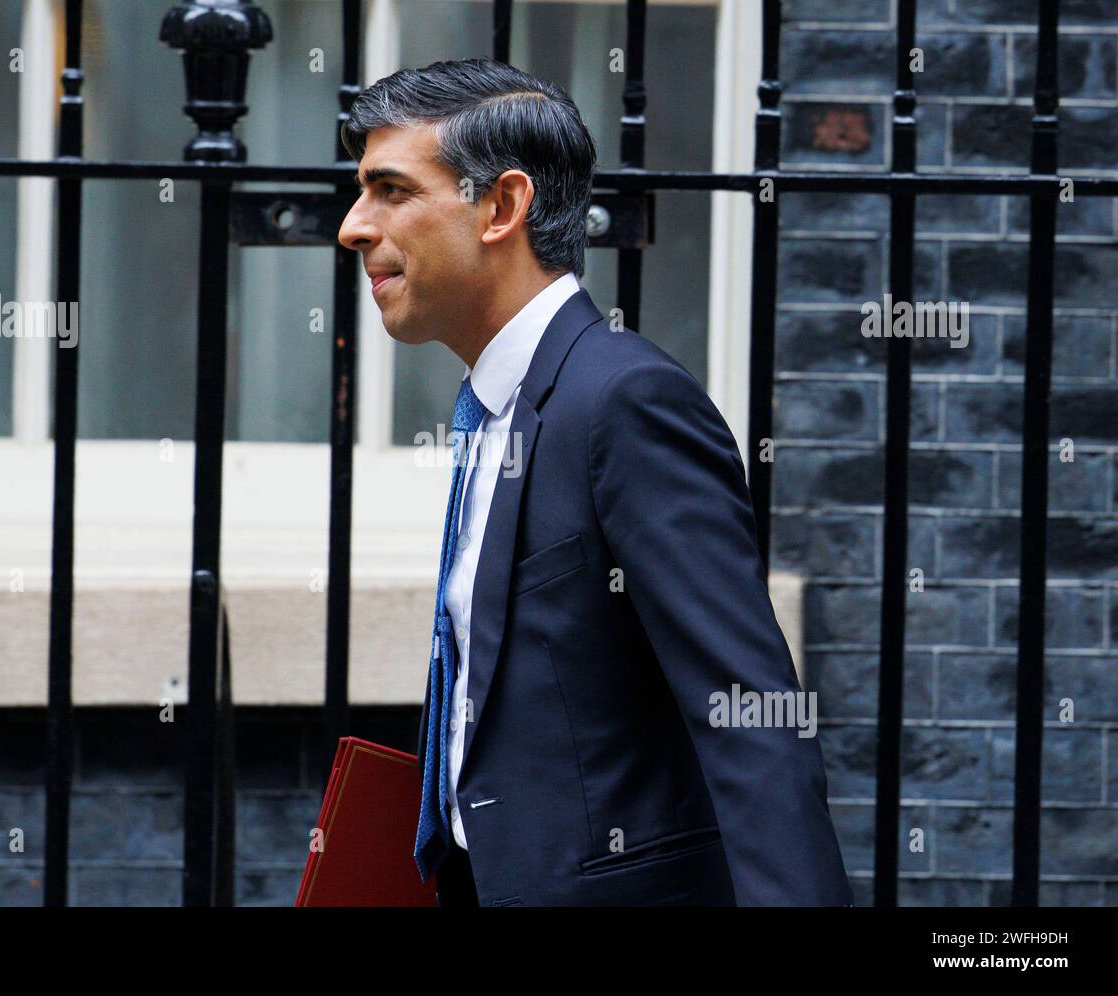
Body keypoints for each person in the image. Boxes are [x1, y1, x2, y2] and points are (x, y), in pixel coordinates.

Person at [337, 58, 853, 907]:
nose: (355, 226)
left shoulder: (624, 401)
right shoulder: (495, 405)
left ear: (501, 207)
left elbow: (750, 717)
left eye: (391, 190)